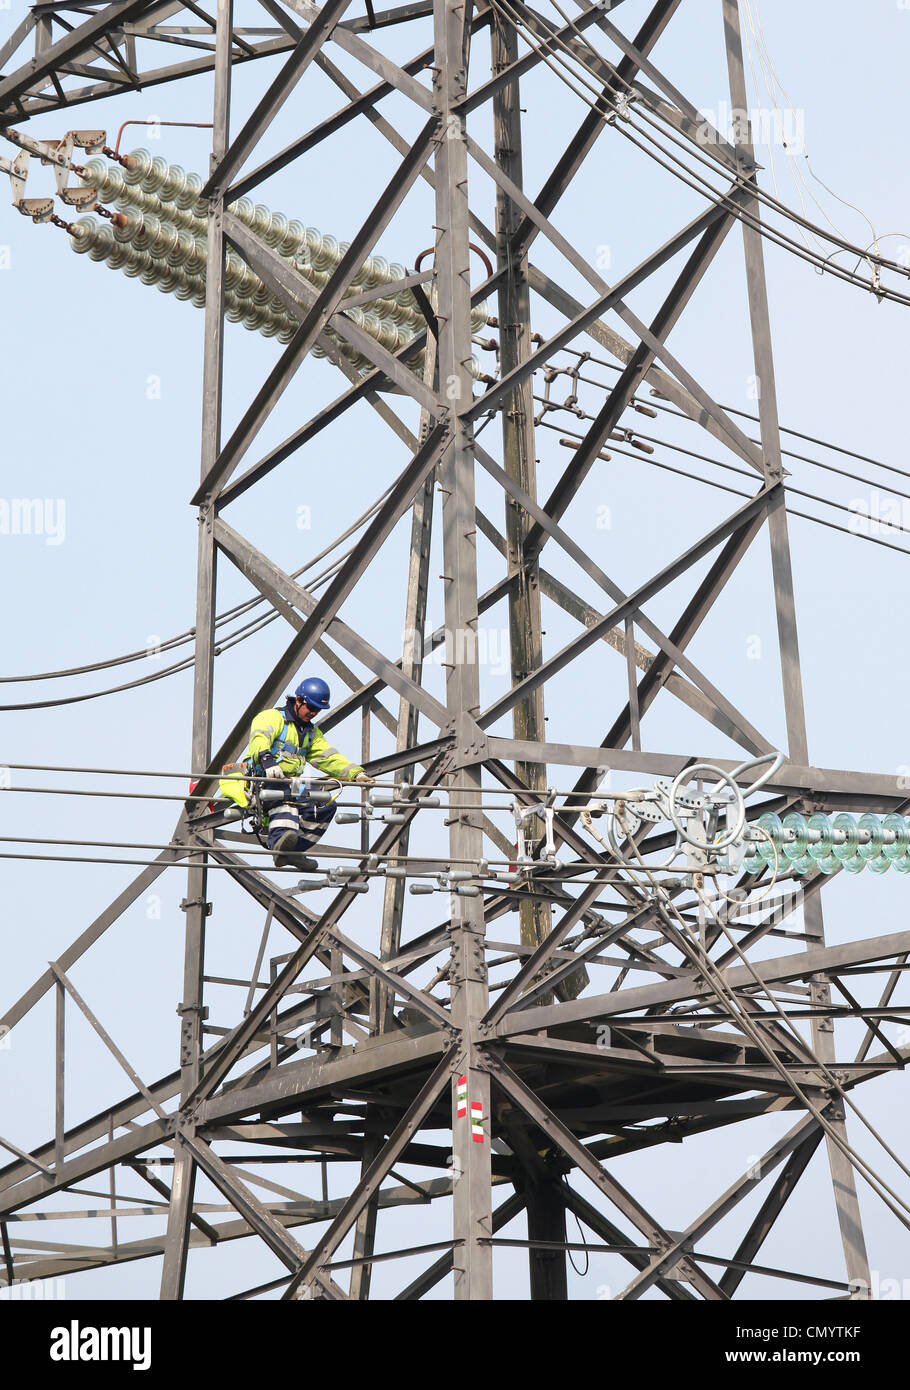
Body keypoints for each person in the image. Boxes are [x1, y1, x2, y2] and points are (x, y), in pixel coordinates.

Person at [219, 676, 374, 867]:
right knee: (287, 798)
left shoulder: (310, 733)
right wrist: (268, 761)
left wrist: (355, 773)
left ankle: (292, 851)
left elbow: (328, 757)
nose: (313, 713)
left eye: (317, 710)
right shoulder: (273, 718)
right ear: (299, 700)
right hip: (261, 780)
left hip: (289, 784)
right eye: (311, 708)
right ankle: (279, 844)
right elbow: (259, 739)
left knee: (325, 806)